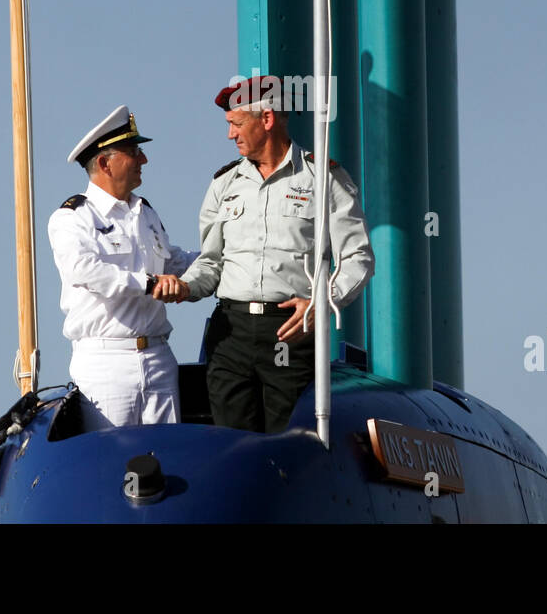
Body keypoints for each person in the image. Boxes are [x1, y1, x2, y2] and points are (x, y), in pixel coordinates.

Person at [176, 76, 374, 433]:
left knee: (287, 447)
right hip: (230, 333)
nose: (229, 135)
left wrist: (321, 301)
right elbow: (210, 262)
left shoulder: (322, 178)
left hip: (289, 333)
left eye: (236, 124)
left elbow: (358, 257)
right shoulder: (224, 184)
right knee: (230, 447)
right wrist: (184, 287)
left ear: (266, 119)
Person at [46, 105, 197, 429]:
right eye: (133, 152)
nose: (144, 160)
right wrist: (149, 282)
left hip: (158, 357)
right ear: (104, 162)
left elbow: (176, 263)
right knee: (114, 467)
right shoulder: (72, 218)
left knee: (166, 462)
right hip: (105, 363)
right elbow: (83, 270)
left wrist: (229, 254)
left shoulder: (146, 214)